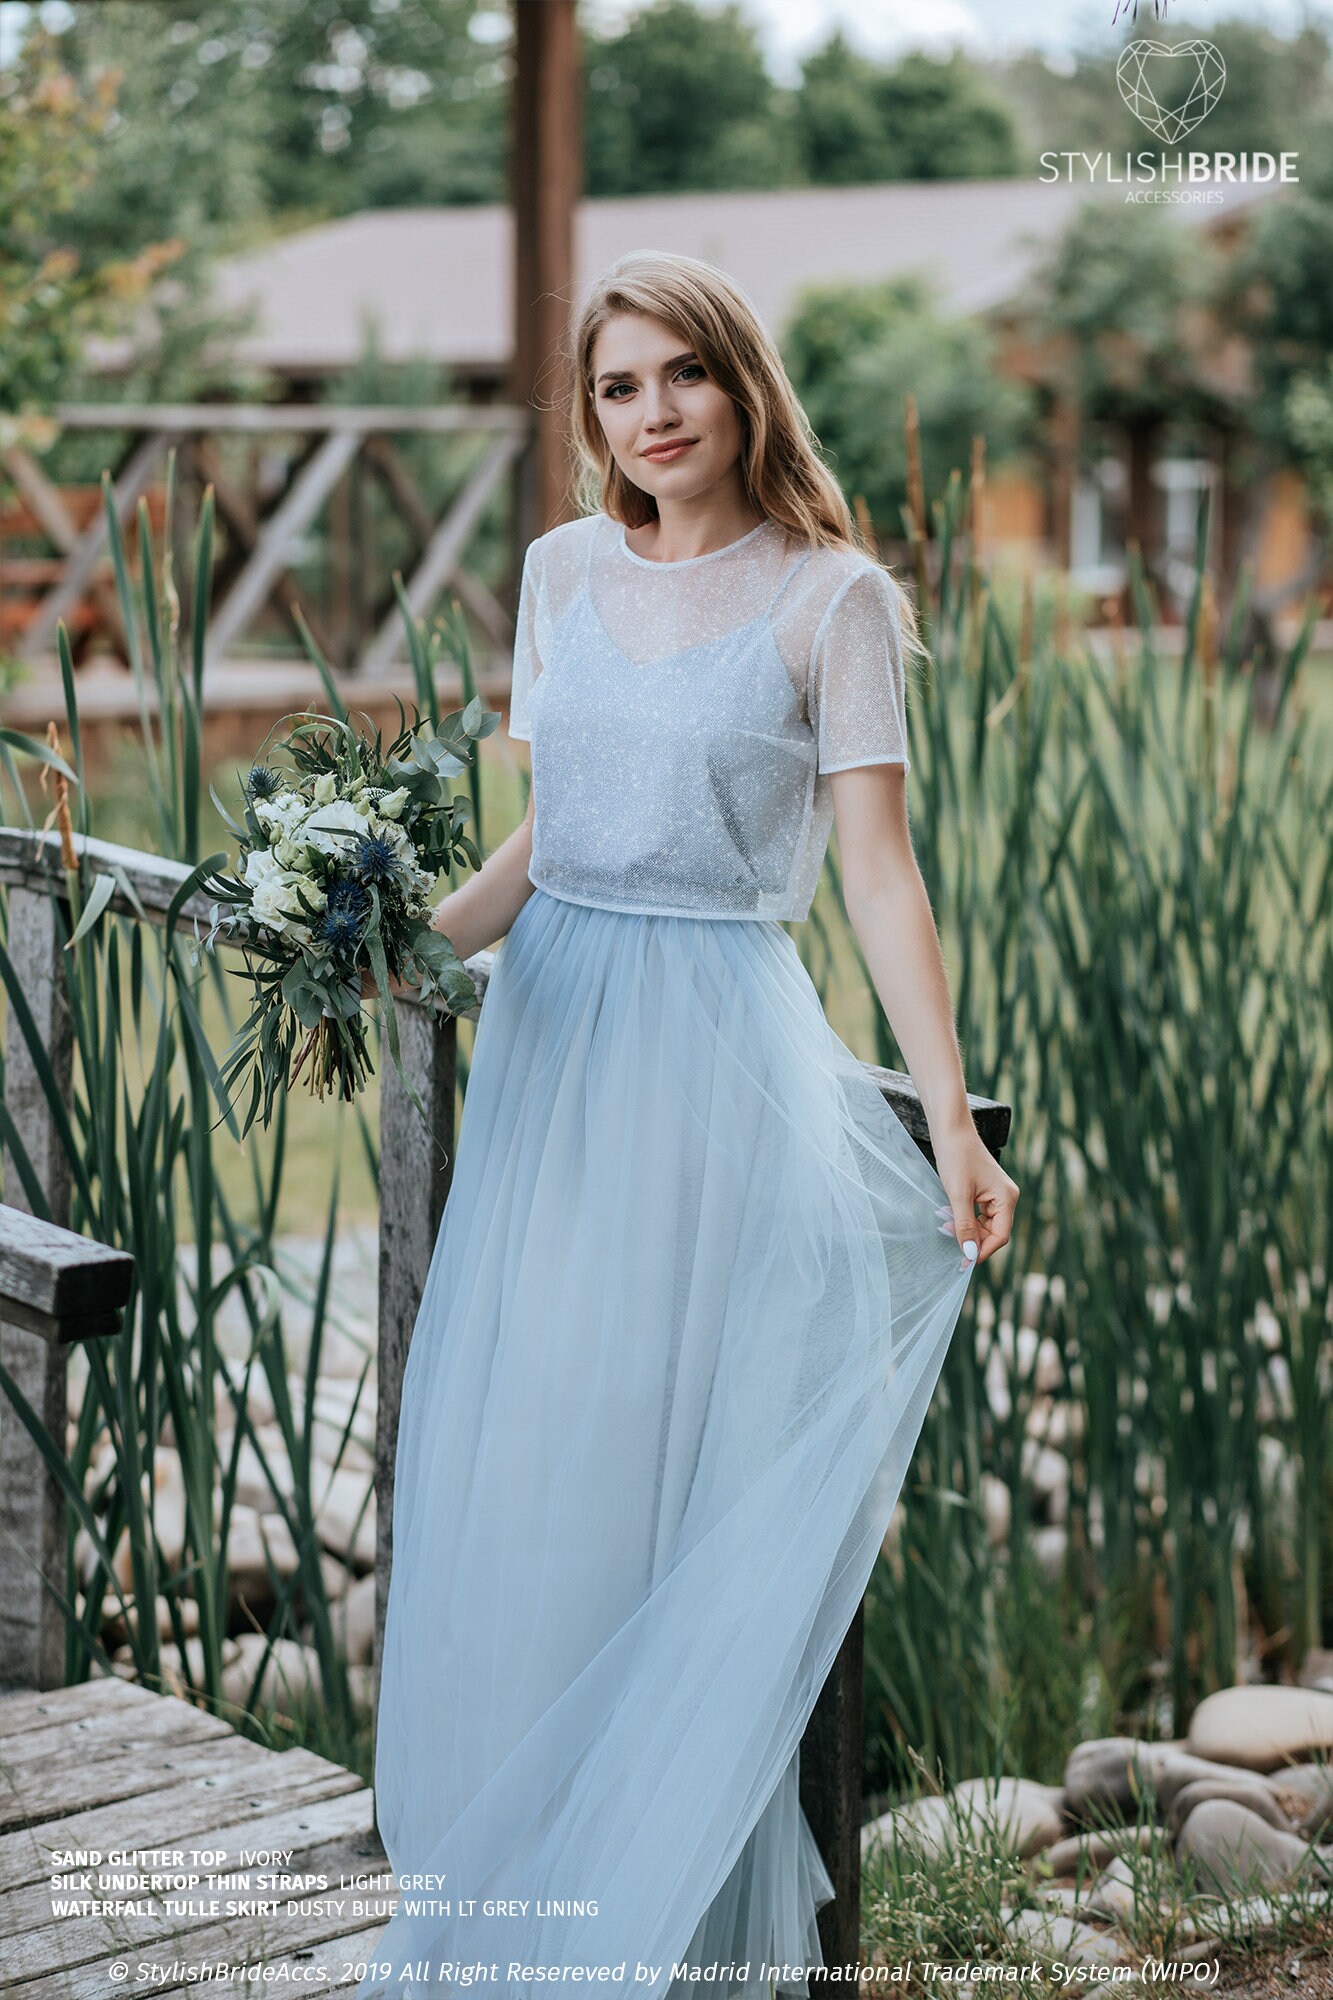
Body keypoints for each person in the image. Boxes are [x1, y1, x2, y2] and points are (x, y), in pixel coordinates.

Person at [356, 250, 1019, 2000]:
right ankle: (521, 1888)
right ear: (589, 418)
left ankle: (649, 1923)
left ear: (741, 384)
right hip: (553, 1063)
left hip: (714, 1062)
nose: (648, 417)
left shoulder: (832, 601)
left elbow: (877, 875)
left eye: (680, 379)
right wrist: (379, 941)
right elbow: (553, 834)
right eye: (615, 389)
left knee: (663, 1487)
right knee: (535, 1470)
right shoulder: (559, 571)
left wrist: (946, 1120)